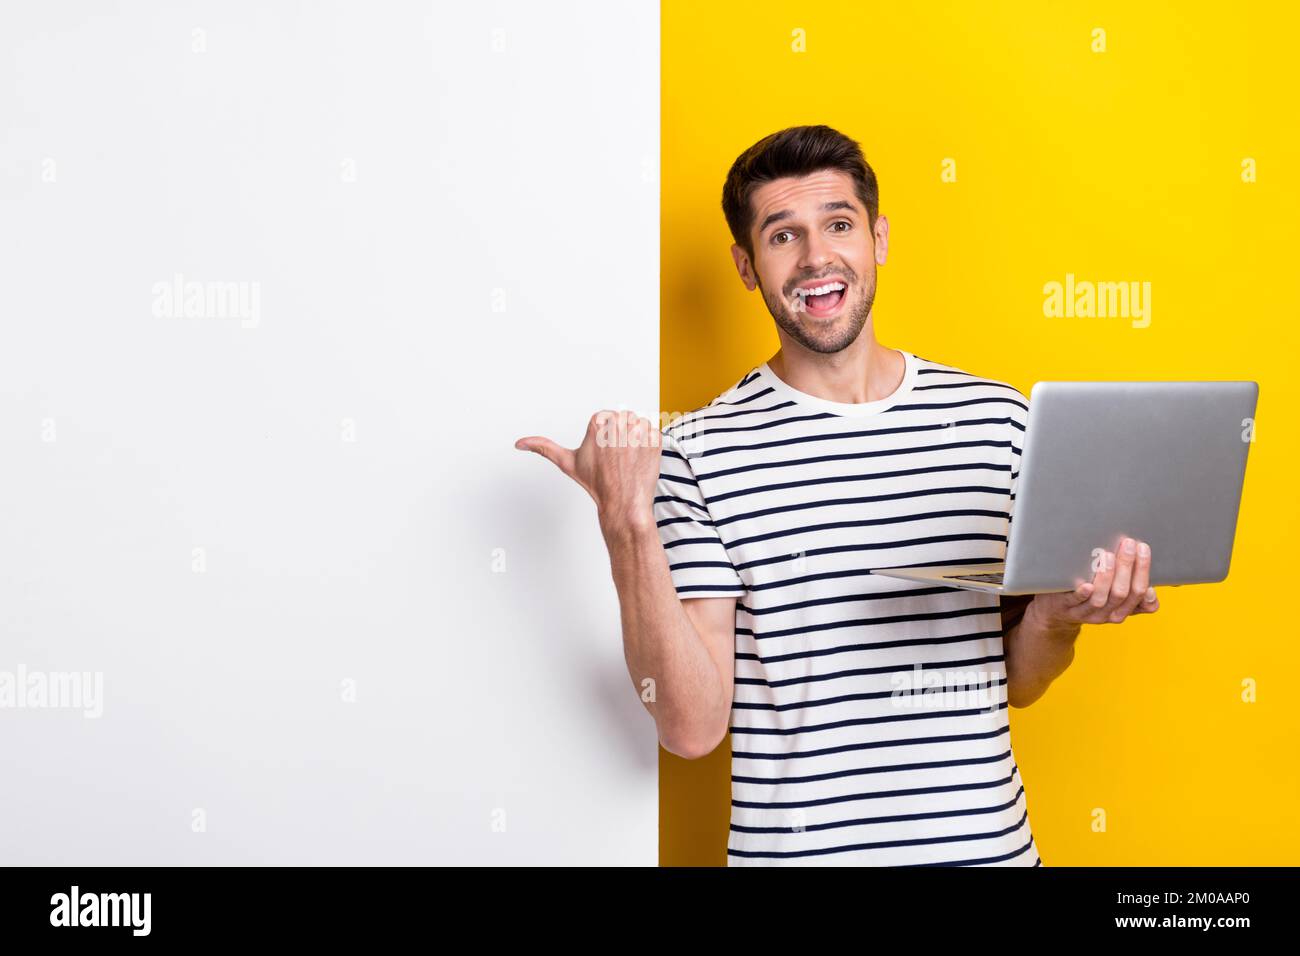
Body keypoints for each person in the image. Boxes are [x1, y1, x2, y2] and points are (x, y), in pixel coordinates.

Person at [516, 125, 1159, 866]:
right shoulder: (697, 451)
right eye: (783, 235)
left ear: (878, 239)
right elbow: (691, 727)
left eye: (839, 225)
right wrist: (626, 522)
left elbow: (1017, 679)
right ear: (747, 266)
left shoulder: (999, 422)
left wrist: (1060, 616)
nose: (817, 256)